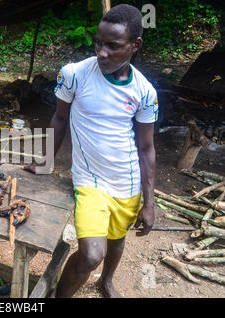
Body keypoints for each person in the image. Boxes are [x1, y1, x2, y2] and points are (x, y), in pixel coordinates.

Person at [25, 4, 158, 298]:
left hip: (128, 182)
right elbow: (59, 118)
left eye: (113, 46)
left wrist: (149, 202)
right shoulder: (75, 75)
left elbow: (146, 148)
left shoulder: (144, 92)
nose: (101, 52)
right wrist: (46, 160)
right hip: (90, 181)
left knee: (118, 238)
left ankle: (105, 281)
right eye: (98, 42)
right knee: (91, 254)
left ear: (135, 45)